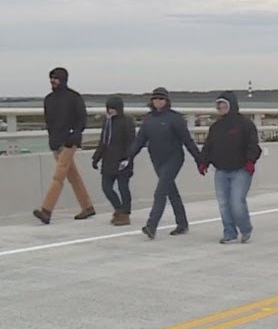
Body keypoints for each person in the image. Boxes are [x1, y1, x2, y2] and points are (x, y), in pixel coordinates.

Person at [128, 87, 201, 239]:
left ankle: (151, 226)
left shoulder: (174, 118)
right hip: (157, 159)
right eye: (155, 99)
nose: (158, 101)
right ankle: (182, 224)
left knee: (160, 191)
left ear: (167, 101)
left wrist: (199, 159)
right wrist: (128, 157)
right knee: (170, 191)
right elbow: (140, 140)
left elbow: (187, 140)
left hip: (173, 158)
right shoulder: (148, 119)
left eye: (161, 99)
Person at [33, 67, 95, 223]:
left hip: (69, 142)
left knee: (58, 176)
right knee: (73, 176)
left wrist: (74, 135)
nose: (53, 81)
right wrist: (52, 140)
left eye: (56, 78)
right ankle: (87, 207)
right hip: (55, 142)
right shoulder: (48, 99)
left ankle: (46, 210)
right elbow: (49, 122)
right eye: (51, 78)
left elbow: (82, 119)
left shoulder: (74, 98)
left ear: (63, 79)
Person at [198, 91, 261, 243]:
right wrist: (203, 162)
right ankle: (230, 232)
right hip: (221, 170)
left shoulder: (245, 124)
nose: (221, 107)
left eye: (224, 104)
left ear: (231, 105)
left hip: (241, 169)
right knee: (223, 203)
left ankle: (245, 229)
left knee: (237, 201)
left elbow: (253, 144)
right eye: (218, 105)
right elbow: (209, 146)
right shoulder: (216, 127)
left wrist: (250, 161)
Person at [91, 95, 136, 226]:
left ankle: (125, 213)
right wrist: (96, 158)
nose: (111, 111)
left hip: (122, 161)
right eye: (109, 108)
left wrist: (128, 159)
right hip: (108, 160)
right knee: (106, 188)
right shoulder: (107, 122)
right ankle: (119, 208)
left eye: (114, 108)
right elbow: (103, 141)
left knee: (123, 187)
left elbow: (131, 142)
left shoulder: (127, 121)